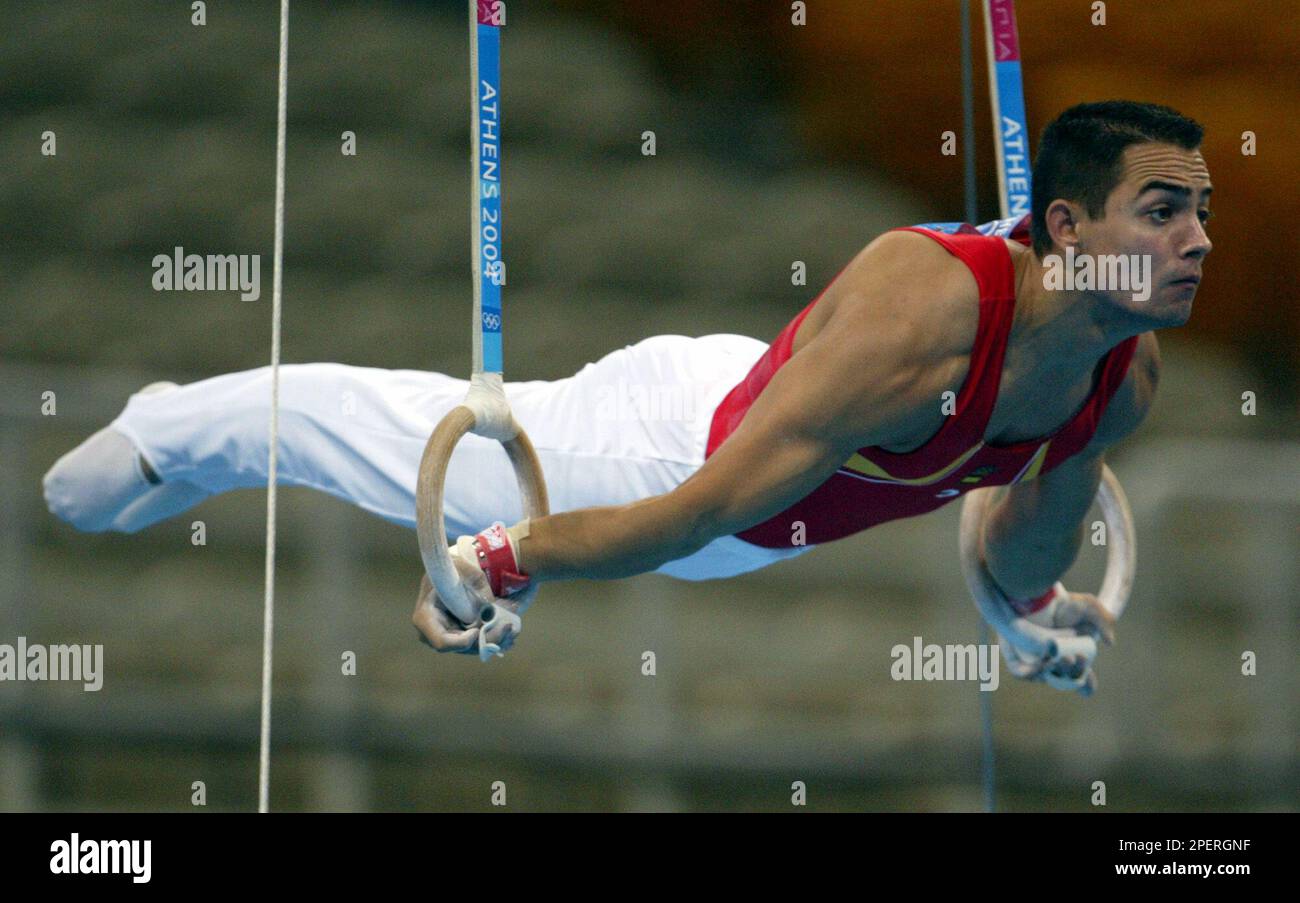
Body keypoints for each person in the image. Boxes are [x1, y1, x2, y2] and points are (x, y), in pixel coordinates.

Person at [43, 101, 1212, 689]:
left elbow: (1016, 552)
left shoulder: (1120, 381)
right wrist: (507, 557)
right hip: (663, 457)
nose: (1199, 241)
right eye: (1163, 214)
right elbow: (690, 516)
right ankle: (164, 429)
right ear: (1067, 228)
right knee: (344, 424)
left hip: (754, 429)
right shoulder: (924, 316)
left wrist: (1030, 618)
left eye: (1203, 212)